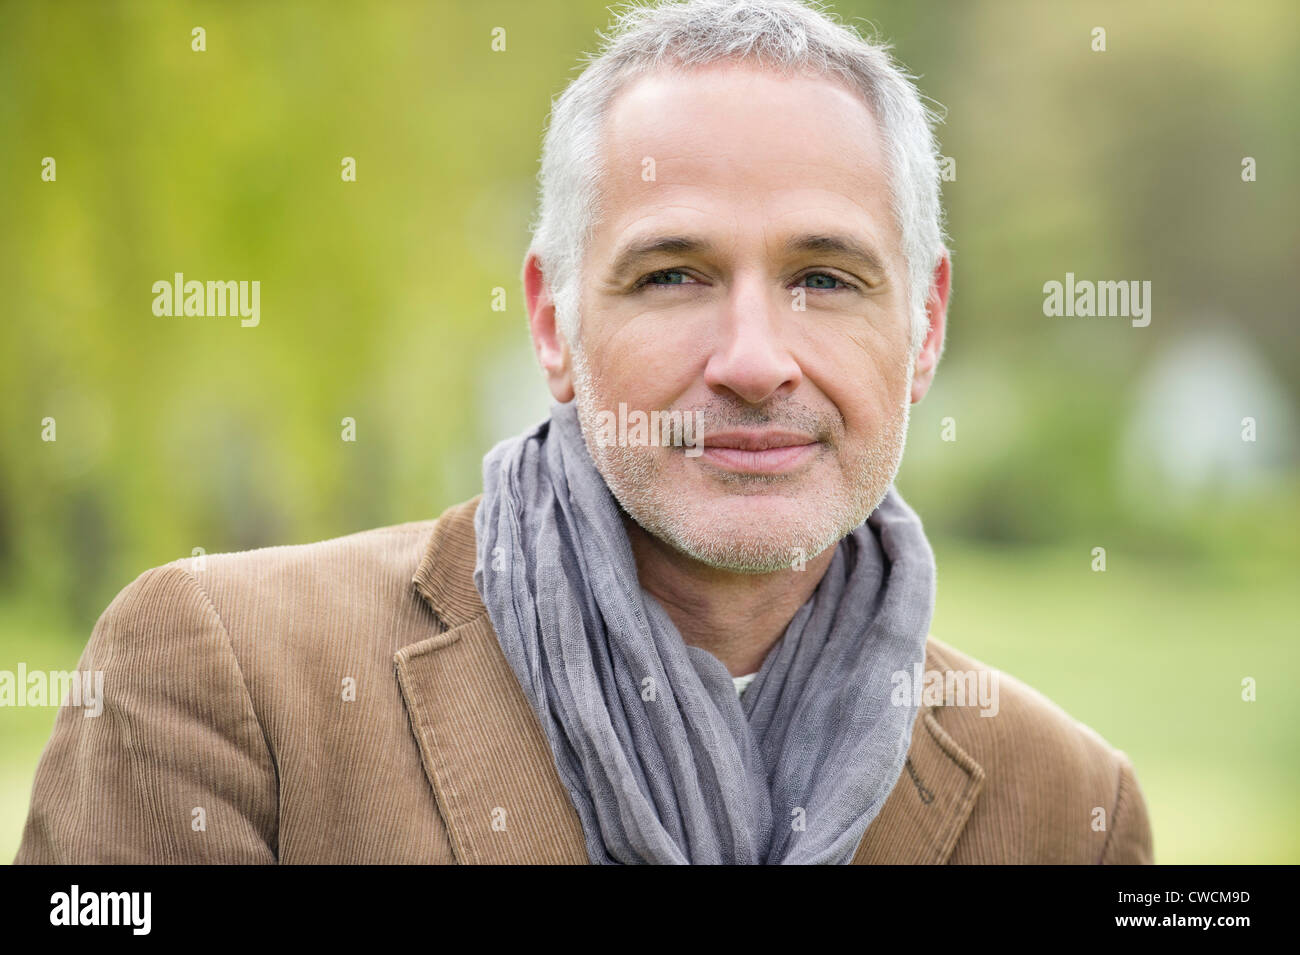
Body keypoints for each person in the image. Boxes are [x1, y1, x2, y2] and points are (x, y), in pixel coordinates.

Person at [16, 0, 1153, 865]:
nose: (755, 358)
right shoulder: (225, 679)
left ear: (925, 325)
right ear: (553, 323)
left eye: (823, 276)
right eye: (672, 275)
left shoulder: (1069, 807)